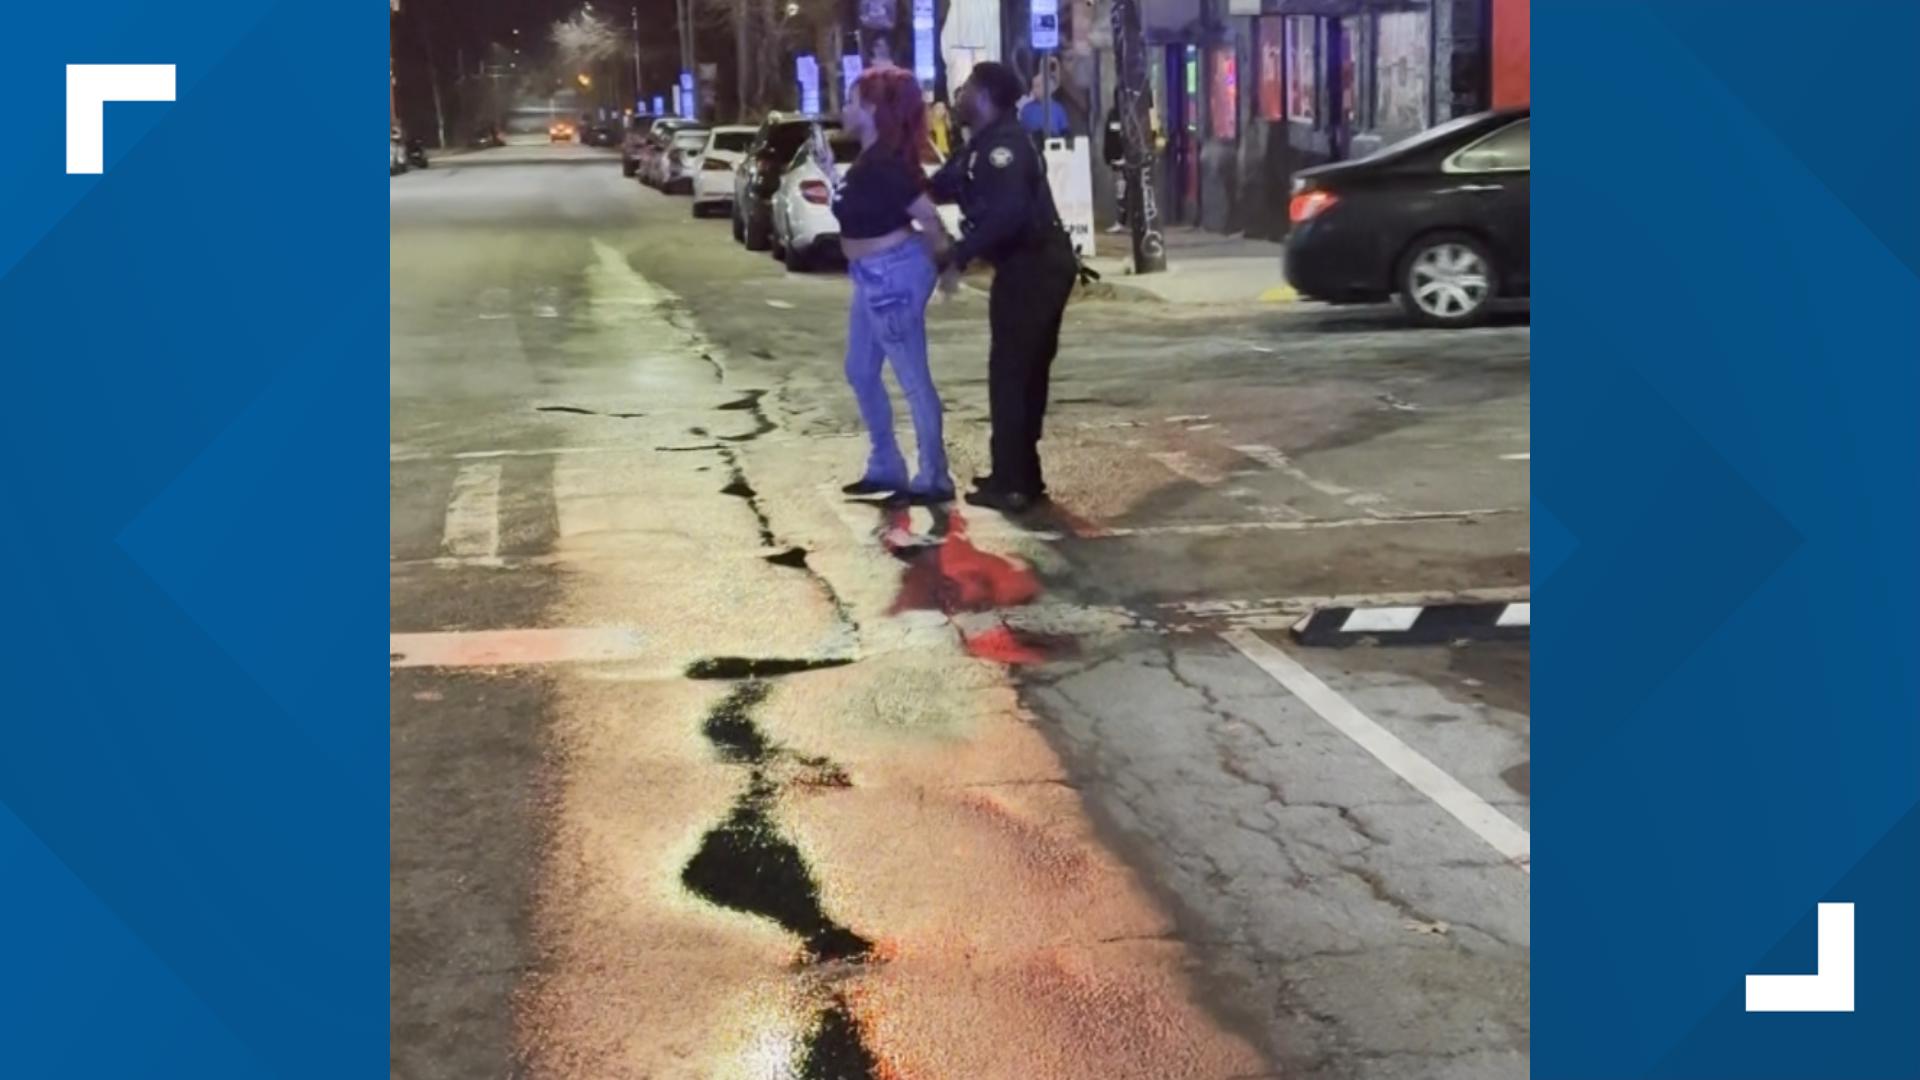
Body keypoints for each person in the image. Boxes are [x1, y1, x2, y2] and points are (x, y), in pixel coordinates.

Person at [931, 61, 1079, 513]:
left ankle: (1014, 482)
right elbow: (944, 183)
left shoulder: (1007, 148)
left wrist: (959, 253)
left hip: (1035, 266)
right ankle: (1018, 474)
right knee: (1020, 373)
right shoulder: (984, 145)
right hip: (1024, 267)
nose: (957, 97)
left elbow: (1009, 214)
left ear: (984, 96)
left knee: (1014, 375)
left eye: (965, 89)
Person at [829, 65, 959, 505]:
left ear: (870, 108)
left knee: (911, 375)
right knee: (860, 369)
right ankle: (886, 463)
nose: (844, 108)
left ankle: (933, 476)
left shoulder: (886, 162)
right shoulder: (872, 159)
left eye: (851, 100)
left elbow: (928, 217)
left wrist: (944, 266)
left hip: (891, 274)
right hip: (872, 274)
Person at [1018, 71, 1070, 138]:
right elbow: (1021, 133)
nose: (1034, 90)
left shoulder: (1058, 109)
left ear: (1050, 87)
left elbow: (1065, 132)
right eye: (1033, 86)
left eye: (1038, 86)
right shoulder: (1026, 109)